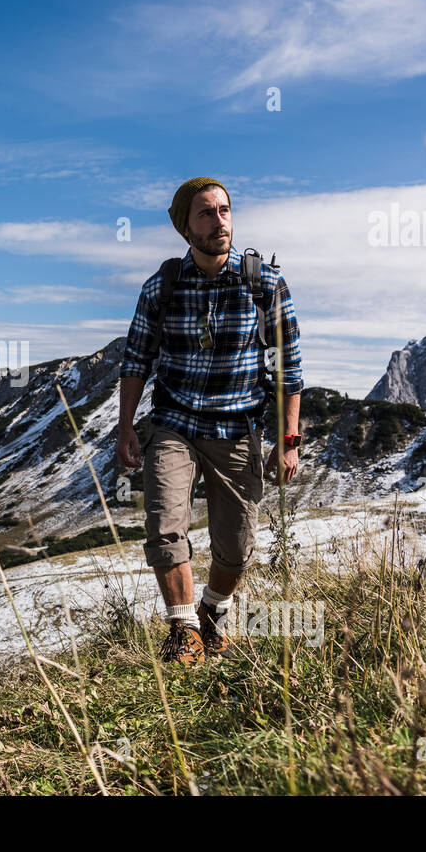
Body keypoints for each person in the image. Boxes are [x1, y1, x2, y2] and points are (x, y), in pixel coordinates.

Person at [115, 177, 303, 665]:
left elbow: (290, 367)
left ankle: (213, 612)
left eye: (224, 210)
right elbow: (136, 360)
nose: (219, 221)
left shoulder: (263, 283)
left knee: (237, 546)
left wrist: (288, 440)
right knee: (164, 524)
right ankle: (182, 630)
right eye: (206, 213)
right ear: (185, 227)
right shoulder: (161, 287)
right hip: (174, 424)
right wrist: (127, 426)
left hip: (237, 427)